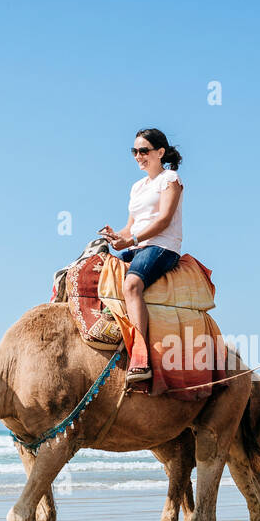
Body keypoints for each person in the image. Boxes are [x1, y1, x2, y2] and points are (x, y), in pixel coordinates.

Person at [100, 128, 184, 383]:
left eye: (144, 151)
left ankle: (141, 354)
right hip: (138, 246)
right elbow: (130, 226)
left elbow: (164, 220)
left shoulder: (170, 179)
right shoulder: (137, 187)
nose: (138, 156)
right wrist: (116, 236)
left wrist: (132, 239)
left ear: (160, 152)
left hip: (162, 246)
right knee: (96, 267)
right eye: (134, 151)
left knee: (132, 285)